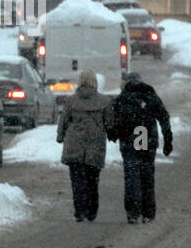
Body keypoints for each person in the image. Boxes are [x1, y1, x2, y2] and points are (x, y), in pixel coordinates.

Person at [106, 71, 173, 223]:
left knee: (132, 175)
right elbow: (163, 116)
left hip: (130, 139)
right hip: (148, 139)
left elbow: (113, 119)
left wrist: (113, 134)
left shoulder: (123, 97)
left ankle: (133, 212)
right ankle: (148, 213)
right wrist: (168, 139)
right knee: (147, 175)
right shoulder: (150, 95)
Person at [56, 68, 111, 222]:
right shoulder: (104, 101)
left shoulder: (71, 101)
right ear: (95, 82)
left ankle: (79, 210)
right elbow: (110, 123)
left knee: (77, 181)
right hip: (95, 145)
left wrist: (60, 137)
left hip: (75, 144)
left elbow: (64, 121)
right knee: (92, 180)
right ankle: (92, 210)